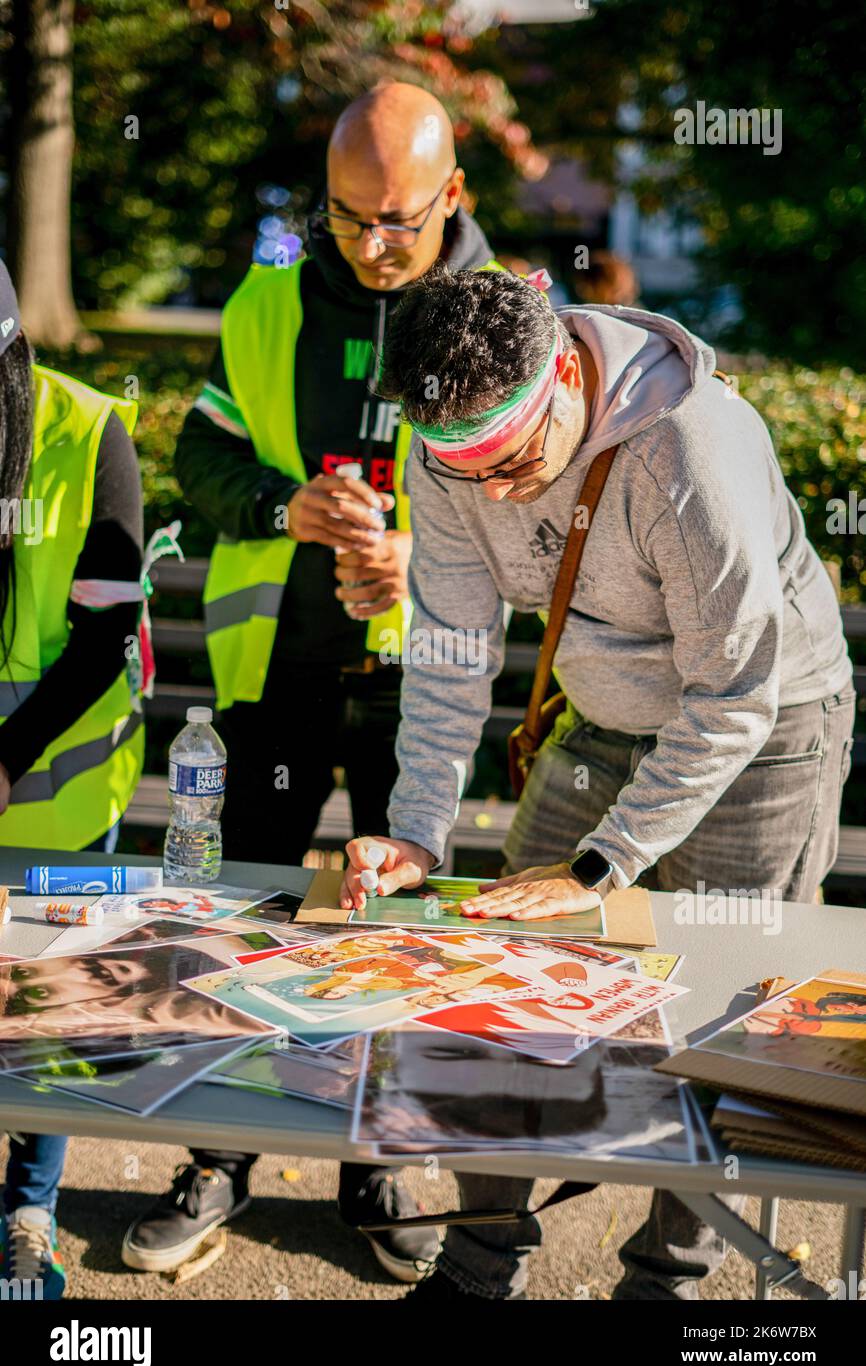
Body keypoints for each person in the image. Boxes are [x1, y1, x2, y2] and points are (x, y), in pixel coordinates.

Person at [339, 263, 855, 1300]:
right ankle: (480, 1258)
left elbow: (732, 697)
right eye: (457, 466)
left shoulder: (689, 451)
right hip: (603, 717)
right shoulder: (449, 446)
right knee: (506, 988)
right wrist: (418, 832)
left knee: (724, 1020)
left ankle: (663, 1280)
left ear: (564, 377)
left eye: (510, 459)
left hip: (764, 731)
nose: (486, 489)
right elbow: (448, 646)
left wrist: (600, 866)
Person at [122, 81, 502, 1284]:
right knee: (252, 915)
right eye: (346, 219)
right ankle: (218, 1154)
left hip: (421, 689)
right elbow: (200, 452)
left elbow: (548, 509)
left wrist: (421, 555)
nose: (373, 246)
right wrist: (280, 506)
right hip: (274, 673)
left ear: (454, 196)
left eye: (399, 219)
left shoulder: (509, 316)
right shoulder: (268, 300)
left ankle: (375, 1160)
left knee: (395, 926)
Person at [0, 259, 144, 1300]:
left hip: (58, 791)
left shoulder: (87, 430)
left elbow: (103, 634)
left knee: (41, 1006)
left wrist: (7, 759)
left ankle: (30, 1208)